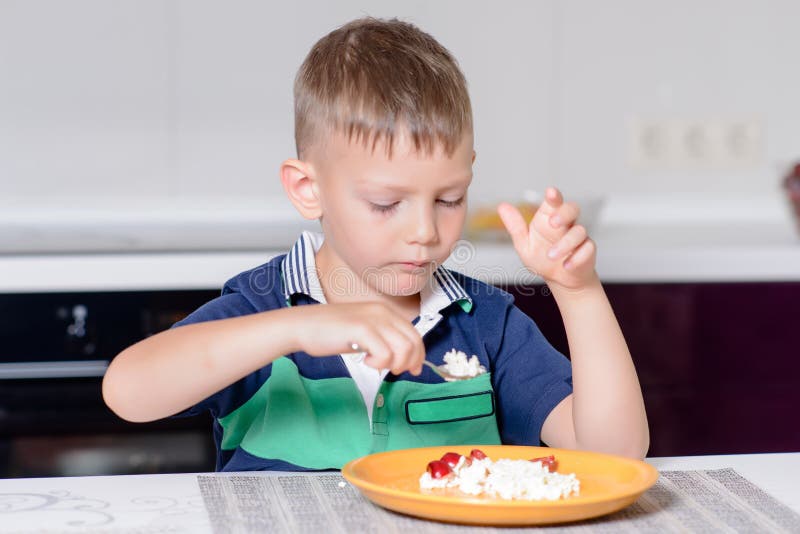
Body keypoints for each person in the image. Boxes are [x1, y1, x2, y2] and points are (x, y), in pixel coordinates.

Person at [102, 17, 649, 472]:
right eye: (387, 204)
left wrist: (578, 293)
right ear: (308, 189)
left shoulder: (486, 324)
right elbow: (128, 392)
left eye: (449, 199)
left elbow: (614, 453)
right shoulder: (264, 308)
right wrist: (298, 329)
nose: (424, 232)